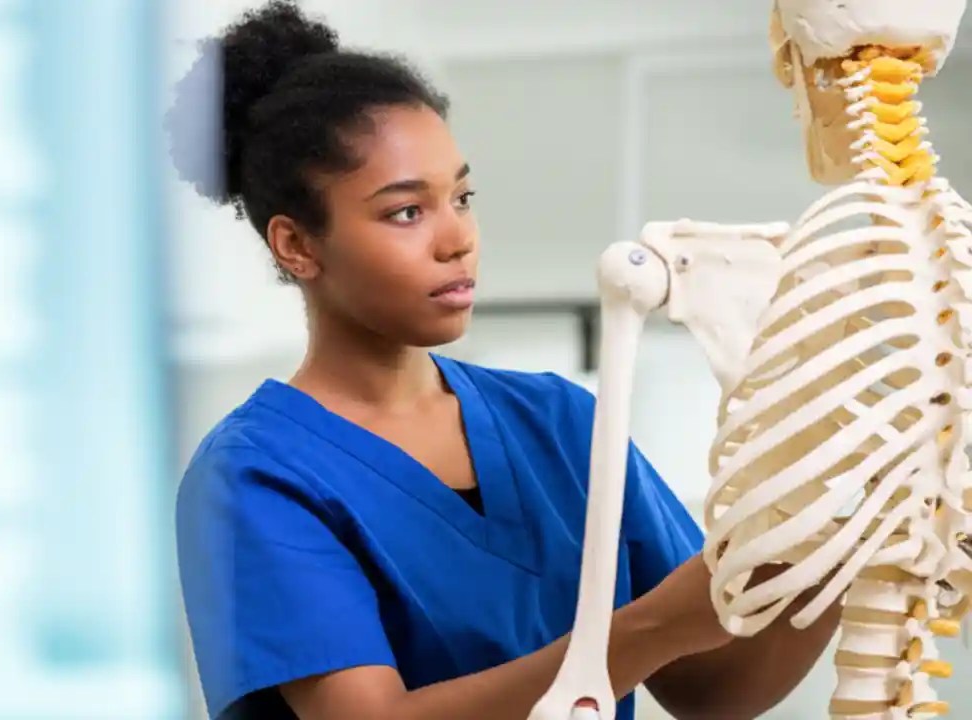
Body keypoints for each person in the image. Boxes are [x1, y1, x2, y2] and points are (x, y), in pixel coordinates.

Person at [166, 3, 840, 719]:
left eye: (462, 196)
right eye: (406, 212)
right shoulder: (255, 476)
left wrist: (834, 549)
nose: (457, 239)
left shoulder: (563, 424)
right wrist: (654, 625)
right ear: (297, 245)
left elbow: (715, 691)